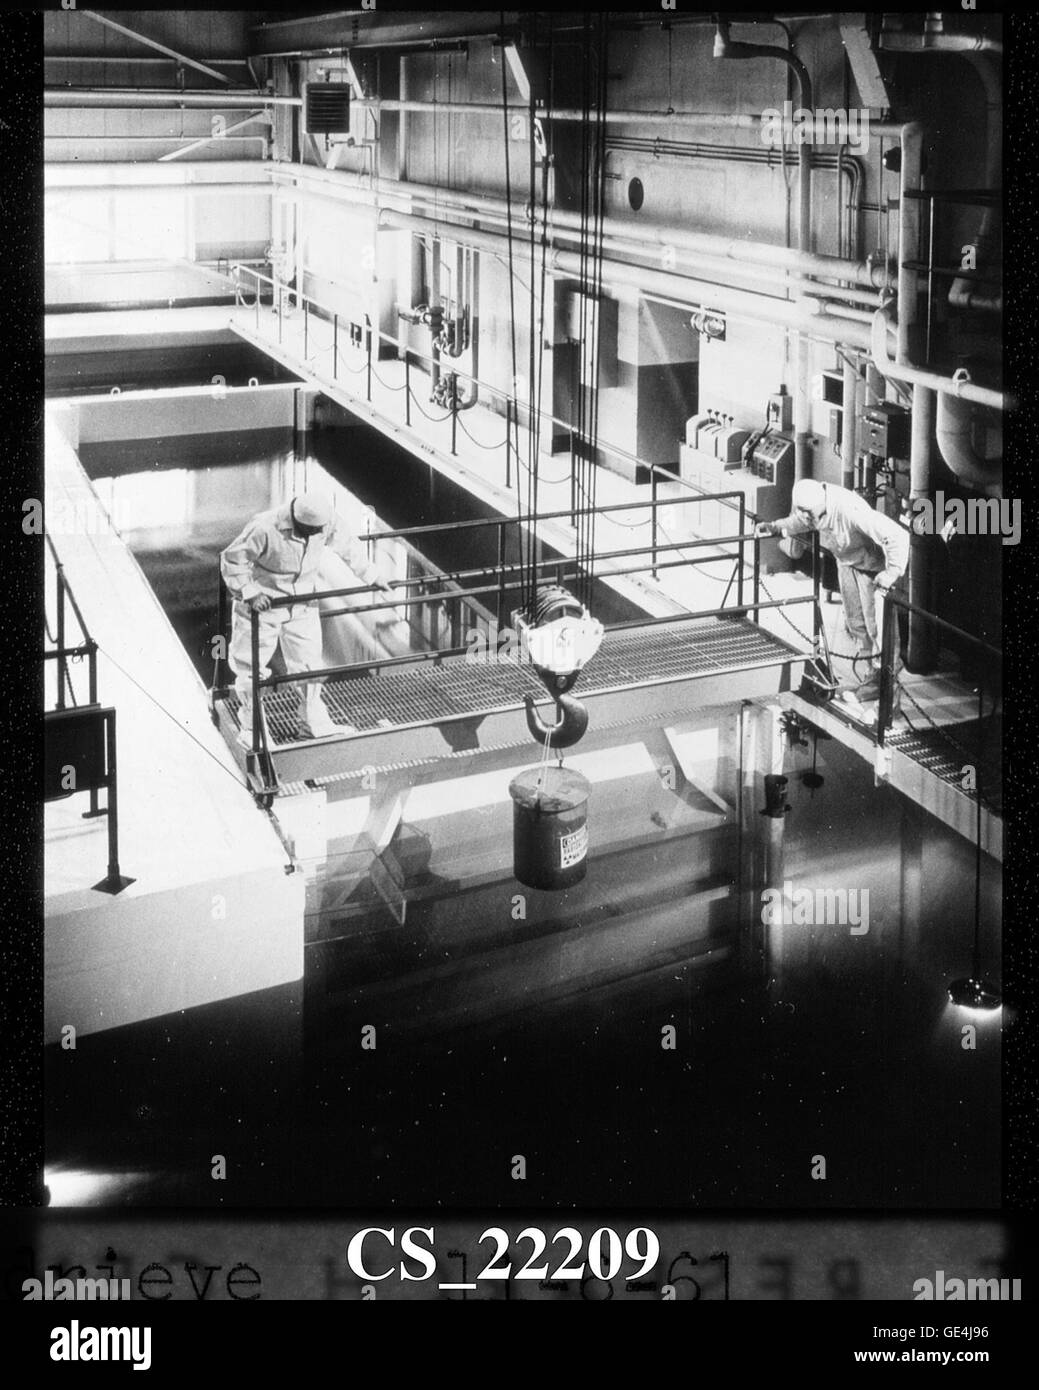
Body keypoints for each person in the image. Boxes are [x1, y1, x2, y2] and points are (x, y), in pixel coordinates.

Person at [220, 491, 390, 746]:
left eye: (318, 531)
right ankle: (253, 729)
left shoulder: (325, 522)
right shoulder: (264, 527)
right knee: (251, 667)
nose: (315, 535)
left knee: (310, 665)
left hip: (302, 604)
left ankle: (314, 725)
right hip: (262, 605)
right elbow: (232, 560)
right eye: (308, 531)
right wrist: (249, 592)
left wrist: (372, 575)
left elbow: (348, 545)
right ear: (296, 521)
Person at [755, 478, 910, 707]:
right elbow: (802, 520)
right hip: (847, 562)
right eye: (805, 513)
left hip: (873, 570)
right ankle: (873, 680)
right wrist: (776, 526)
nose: (808, 519)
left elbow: (898, 535)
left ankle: (889, 697)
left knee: (878, 629)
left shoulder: (850, 510)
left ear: (822, 506)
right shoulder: (814, 509)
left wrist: (892, 572)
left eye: (811, 514)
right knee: (857, 624)